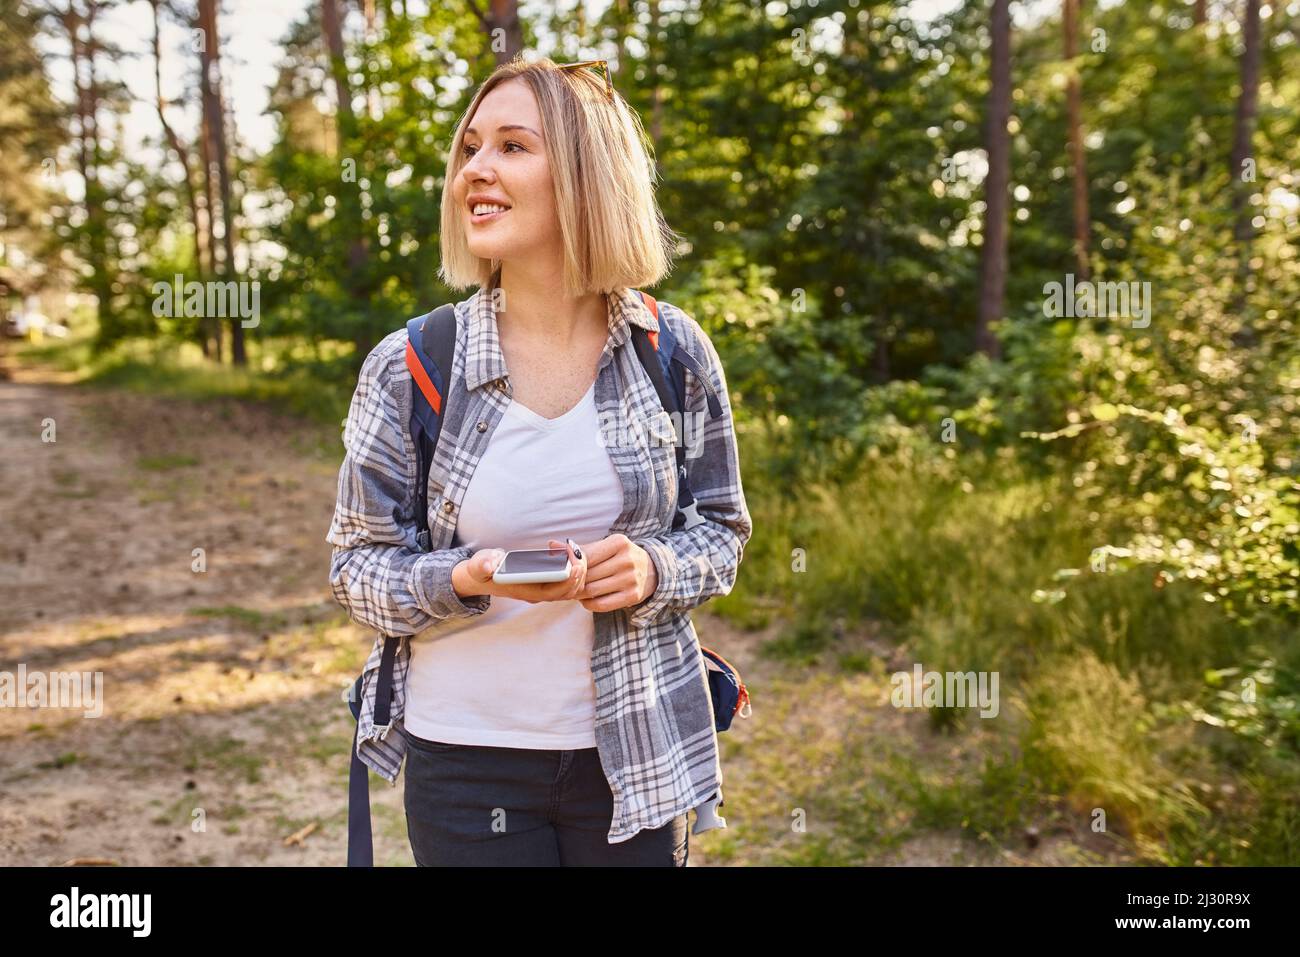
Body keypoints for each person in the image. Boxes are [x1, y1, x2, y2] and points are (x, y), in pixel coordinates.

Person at [326, 55, 752, 866]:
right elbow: (356, 567)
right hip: (463, 761)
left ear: (587, 175)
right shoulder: (413, 363)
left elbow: (722, 530)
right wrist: (465, 578)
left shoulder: (673, 350)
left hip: (636, 753)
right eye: (470, 149)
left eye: (513, 146)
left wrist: (653, 569)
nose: (475, 171)